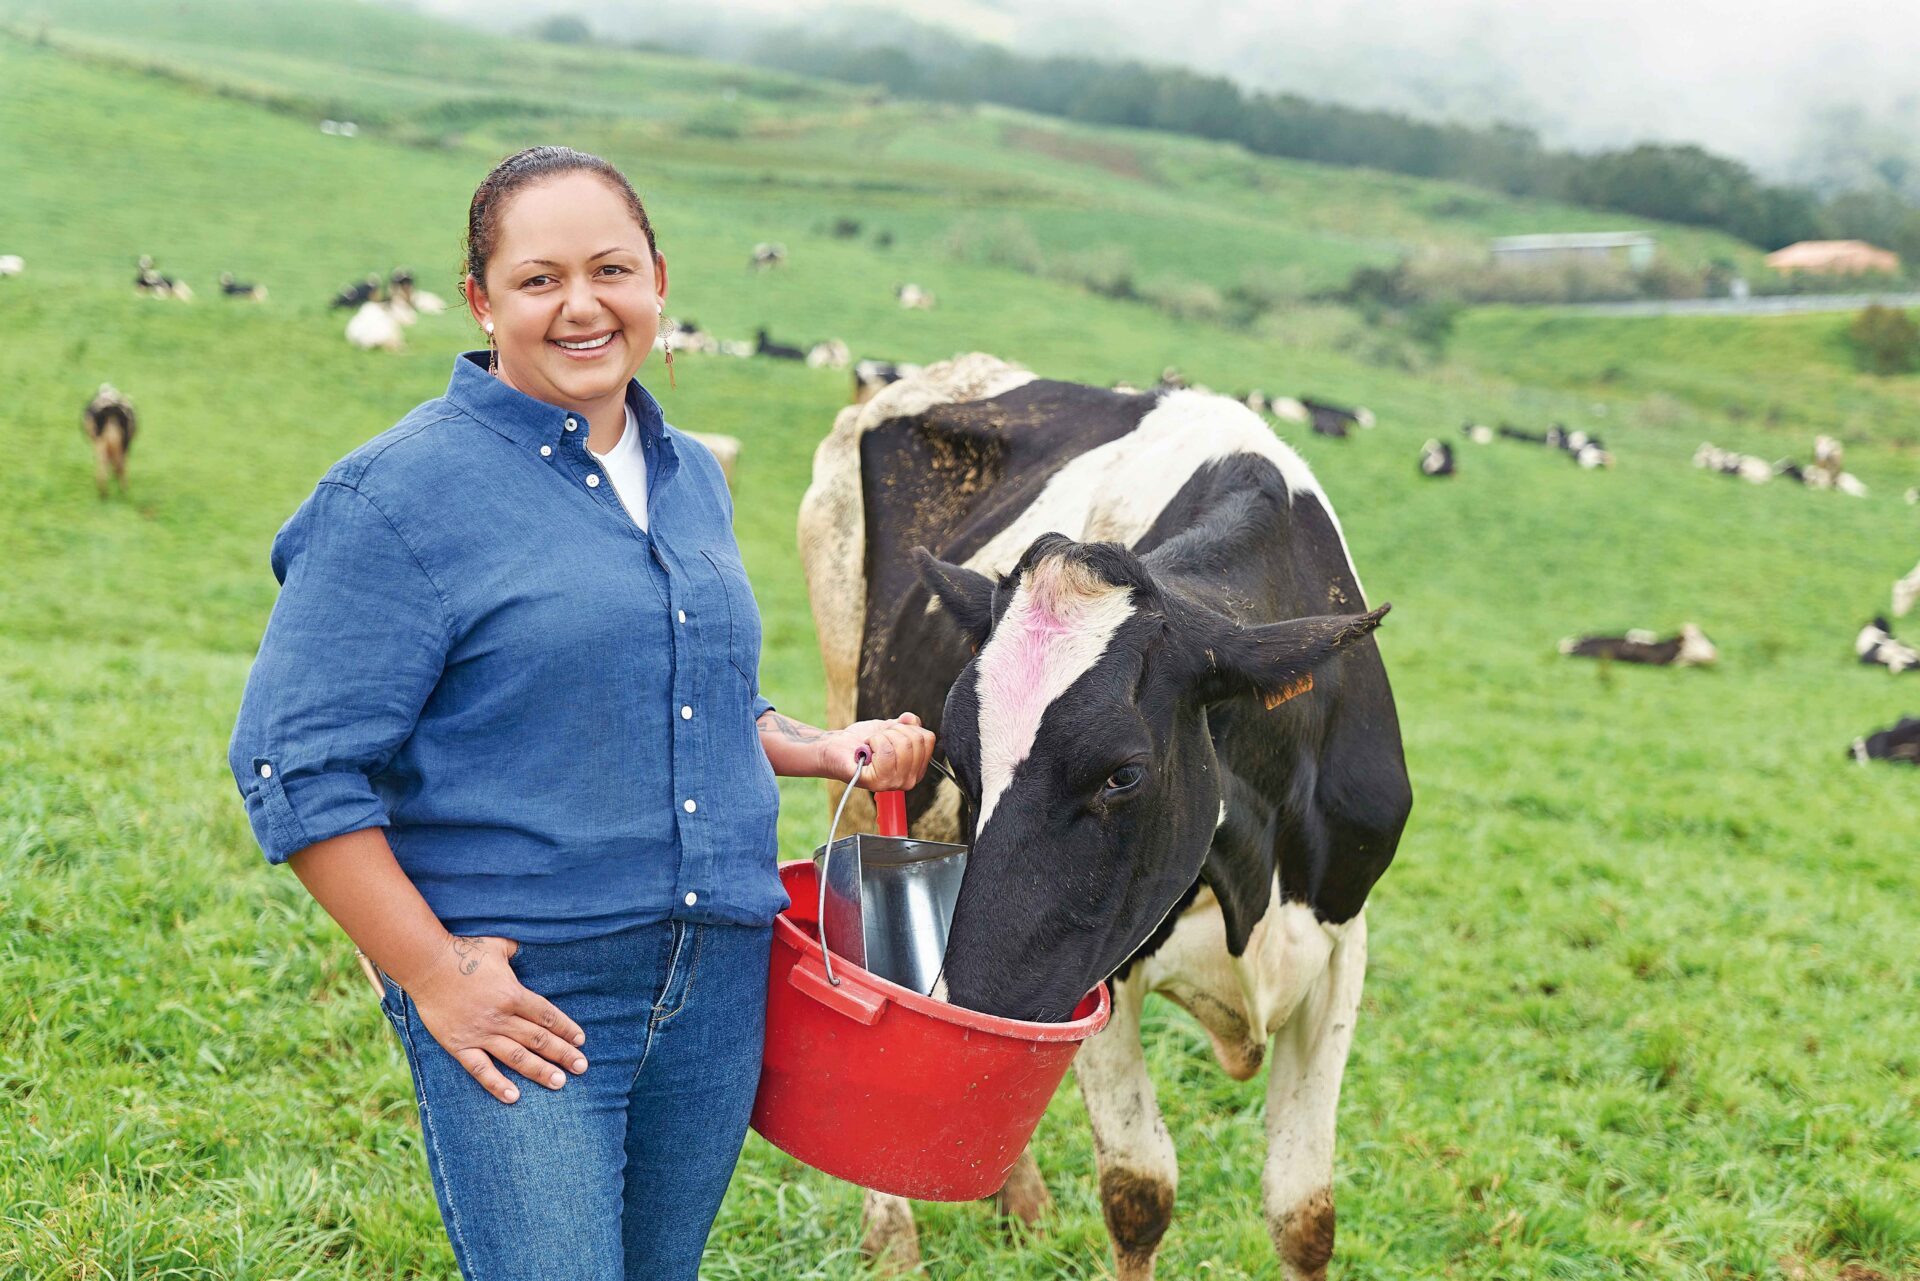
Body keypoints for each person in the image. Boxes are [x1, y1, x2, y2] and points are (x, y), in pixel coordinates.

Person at [227, 145, 935, 1279]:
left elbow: (689, 684)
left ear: (658, 278)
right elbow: (290, 764)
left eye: (609, 269)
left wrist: (813, 747)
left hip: (717, 982)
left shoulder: (691, 473)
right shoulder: (398, 493)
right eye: (539, 278)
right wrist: (433, 974)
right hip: (529, 995)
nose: (581, 306)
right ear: (481, 300)